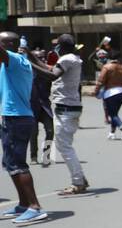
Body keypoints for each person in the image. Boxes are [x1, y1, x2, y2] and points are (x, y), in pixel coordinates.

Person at [26, 35, 89, 195]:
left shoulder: (67, 59)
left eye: (56, 45)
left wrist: (30, 64)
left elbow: (52, 75)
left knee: (64, 147)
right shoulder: (71, 58)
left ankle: (78, 182)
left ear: (62, 46)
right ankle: (80, 177)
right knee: (65, 145)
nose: (55, 48)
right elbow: (49, 68)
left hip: (65, 108)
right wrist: (30, 55)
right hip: (69, 107)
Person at [0, 32, 48, 225]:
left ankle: (34, 207)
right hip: (13, 117)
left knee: (18, 164)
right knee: (10, 163)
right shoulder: (14, 61)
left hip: (16, 118)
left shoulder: (15, 59)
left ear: (9, 44)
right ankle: (23, 204)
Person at [92, 52, 122, 140]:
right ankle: (112, 133)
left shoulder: (106, 67)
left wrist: (96, 91)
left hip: (110, 93)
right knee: (115, 114)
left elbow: (100, 81)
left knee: (112, 114)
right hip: (121, 93)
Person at [27, 45, 54, 167]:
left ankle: (47, 155)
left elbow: (53, 75)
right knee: (33, 132)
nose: (42, 59)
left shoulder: (47, 70)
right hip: (31, 106)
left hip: (45, 106)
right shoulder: (26, 71)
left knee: (50, 130)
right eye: (38, 57)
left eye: (42, 57)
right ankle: (33, 156)